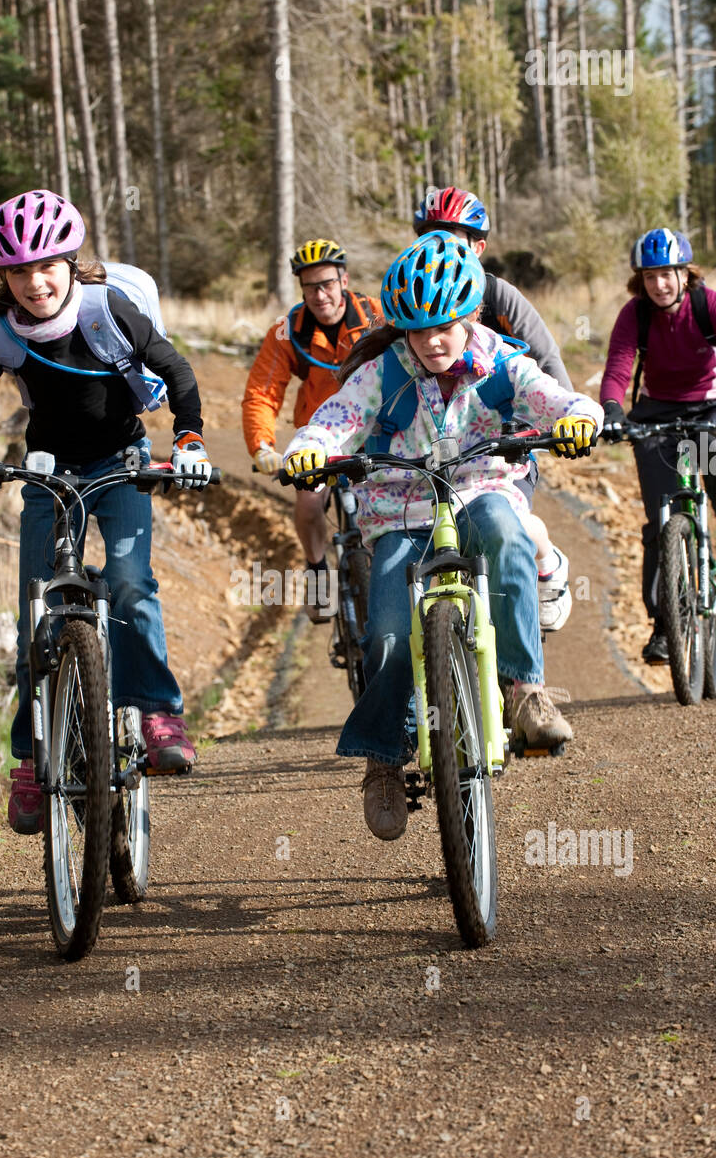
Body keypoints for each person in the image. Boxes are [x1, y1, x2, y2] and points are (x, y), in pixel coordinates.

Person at [283, 232, 603, 840]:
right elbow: (336, 420)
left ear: (473, 315)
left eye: (445, 326)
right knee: (387, 633)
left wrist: (579, 418)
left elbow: (553, 397)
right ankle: (384, 757)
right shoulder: (383, 372)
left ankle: (525, 691)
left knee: (508, 540)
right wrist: (309, 451)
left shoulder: (503, 360)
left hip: (483, 488)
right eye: (416, 328)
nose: (432, 341)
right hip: (401, 509)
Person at [0, 189, 212, 832]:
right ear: (2, 277)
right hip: (47, 475)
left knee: (133, 584)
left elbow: (177, 370)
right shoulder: (3, 332)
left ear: (71, 262)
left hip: (124, 463)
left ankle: (157, 709)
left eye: (47, 265)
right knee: (37, 614)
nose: (35, 281)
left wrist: (187, 439)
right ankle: (31, 760)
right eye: (19, 271)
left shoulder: (107, 308)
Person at [413, 186, 574, 633]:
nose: (440, 246)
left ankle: (546, 563)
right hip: (441, 440)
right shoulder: (416, 292)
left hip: (507, 438)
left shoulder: (500, 296)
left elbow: (547, 358)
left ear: (478, 247)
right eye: (430, 236)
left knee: (512, 526)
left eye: (454, 237)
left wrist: (568, 421)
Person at [241, 239, 381, 620]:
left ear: (344, 280)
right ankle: (318, 571)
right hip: (319, 433)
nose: (320, 295)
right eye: (310, 287)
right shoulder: (288, 332)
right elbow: (262, 393)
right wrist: (263, 446)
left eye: (327, 284)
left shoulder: (376, 315)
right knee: (307, 500)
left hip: (376, 428)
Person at [600, 227, 716, 664]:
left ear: (685, 274)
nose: (659, 284)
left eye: (667, 273)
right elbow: (618, 366)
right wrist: (611, 408)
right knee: (660, 520)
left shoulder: (707, 306)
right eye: (650, 276)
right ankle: (664, 626)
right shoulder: (636, 314)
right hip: (656, 417)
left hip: (707, 413)